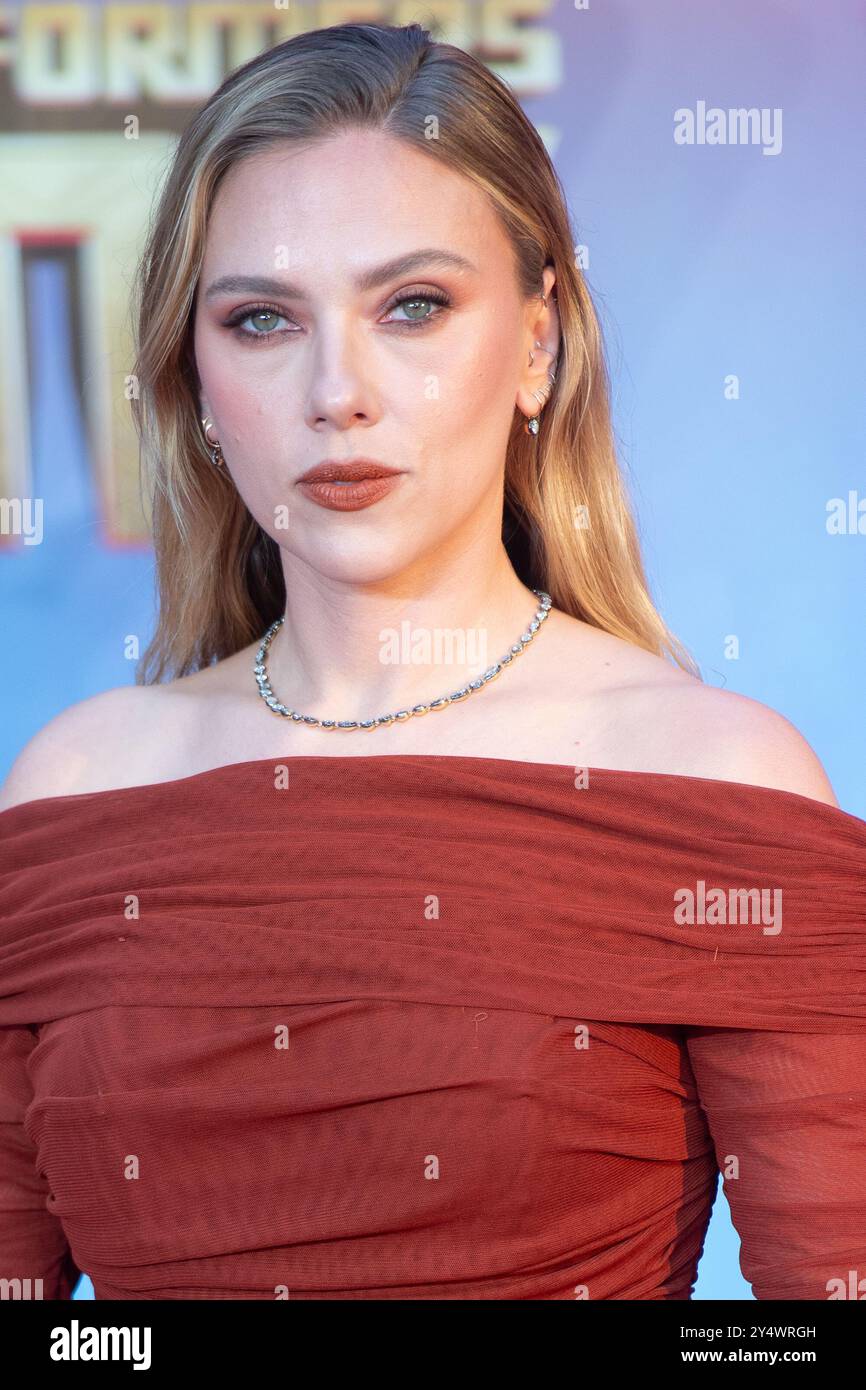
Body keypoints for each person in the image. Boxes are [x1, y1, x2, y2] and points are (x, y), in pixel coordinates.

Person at [0, 21, 864, 1302]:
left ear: (535, 345)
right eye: (259, 320)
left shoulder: (709, 781)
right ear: (195, 379)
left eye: (411, 305)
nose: (337, 390)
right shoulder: (72, 796)